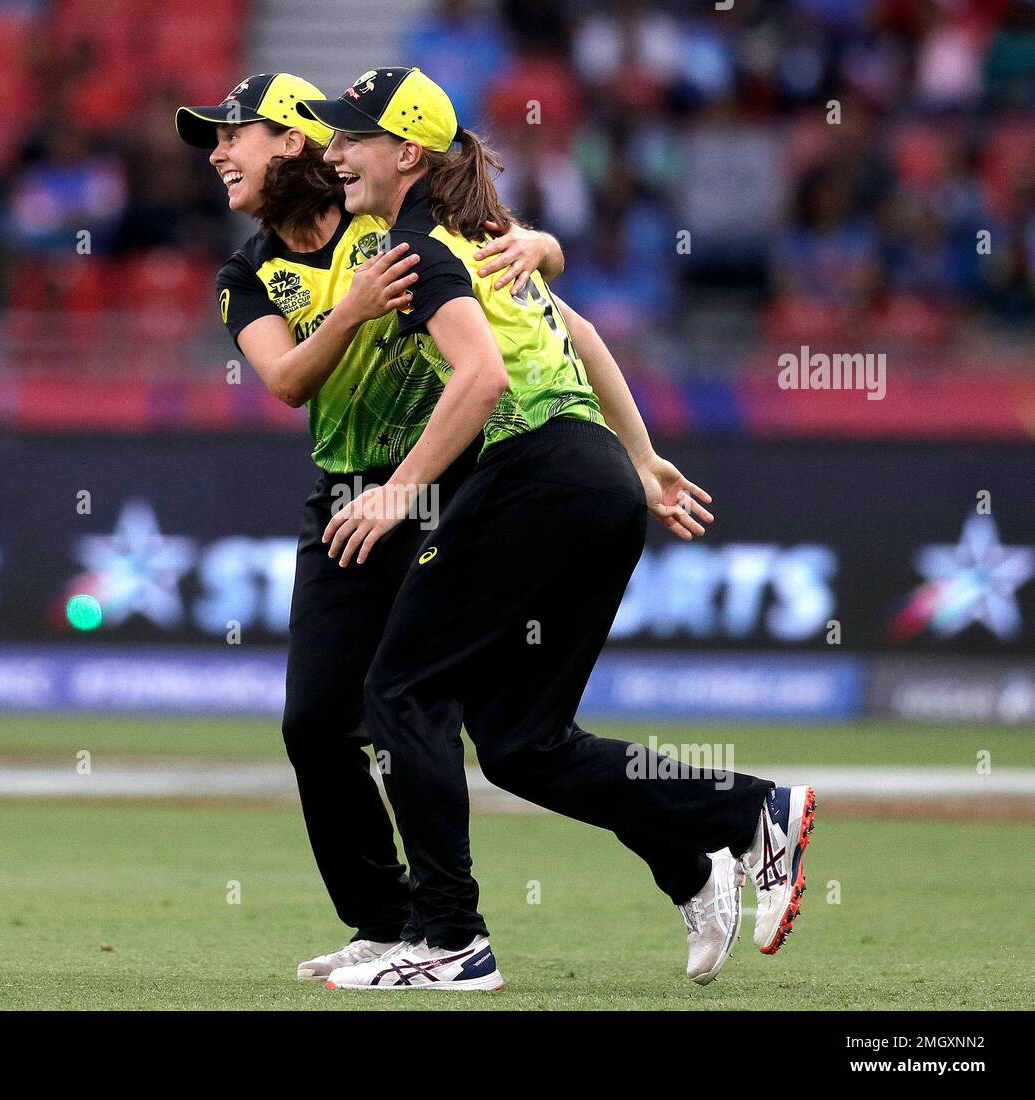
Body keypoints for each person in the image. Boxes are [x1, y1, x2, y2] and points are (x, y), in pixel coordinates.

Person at [297, 67, 816, 991]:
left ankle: (450, 939)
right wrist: (643, 459)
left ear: (405, 152)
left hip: (532, 473)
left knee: (401, 692)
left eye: (350, 136)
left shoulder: (422, 242)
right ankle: (745, 814)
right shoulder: (469, 231)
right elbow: (577, 329)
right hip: (591, 479)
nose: (333, 152)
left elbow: (484, 379)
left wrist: (396, 490)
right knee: (525, 746)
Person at [175, 73, 569, 981]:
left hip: (450, 485)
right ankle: (388, 922)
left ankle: (453, 933)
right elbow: (286, 382)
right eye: (214, 140)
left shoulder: (386, 213)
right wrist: (351, 310)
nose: (218, 153)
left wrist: (542, 244)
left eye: (234, 134)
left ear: (295, 141)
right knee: (316, 722)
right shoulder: (247, 274)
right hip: (348, 502)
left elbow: (518, 267)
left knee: (432, 712)